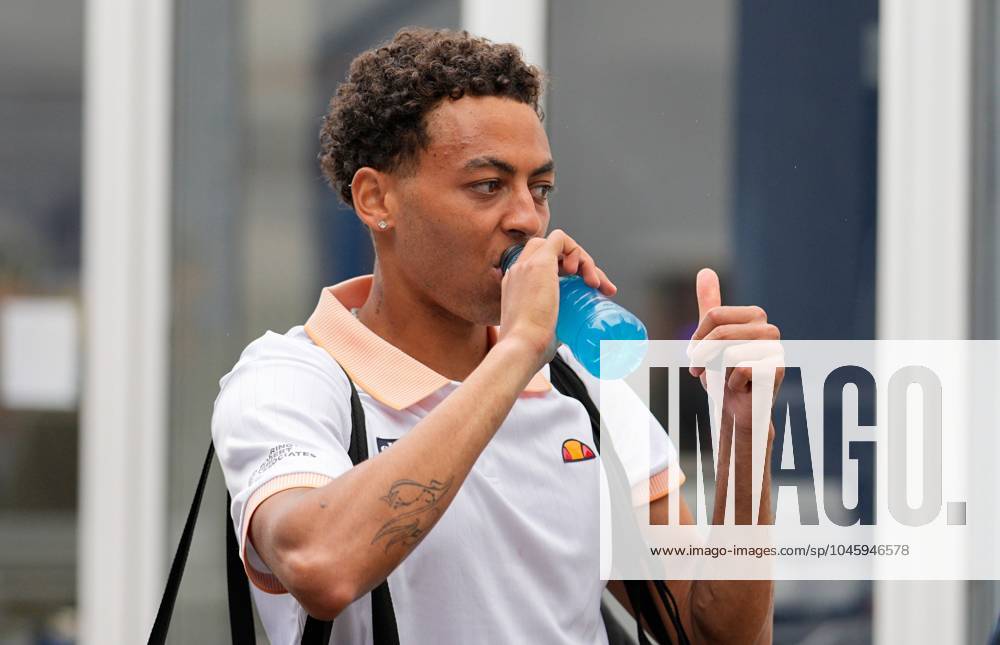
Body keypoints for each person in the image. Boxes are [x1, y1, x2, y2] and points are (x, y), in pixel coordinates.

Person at [212, 26, 780, 644]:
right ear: (376, 199)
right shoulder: (292, 379)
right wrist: (516, 353)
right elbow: (322, 567)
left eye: (539, 189)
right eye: (487, 186)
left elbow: (712, 635)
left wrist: (744, 438)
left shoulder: (581, 388)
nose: (526, 218)